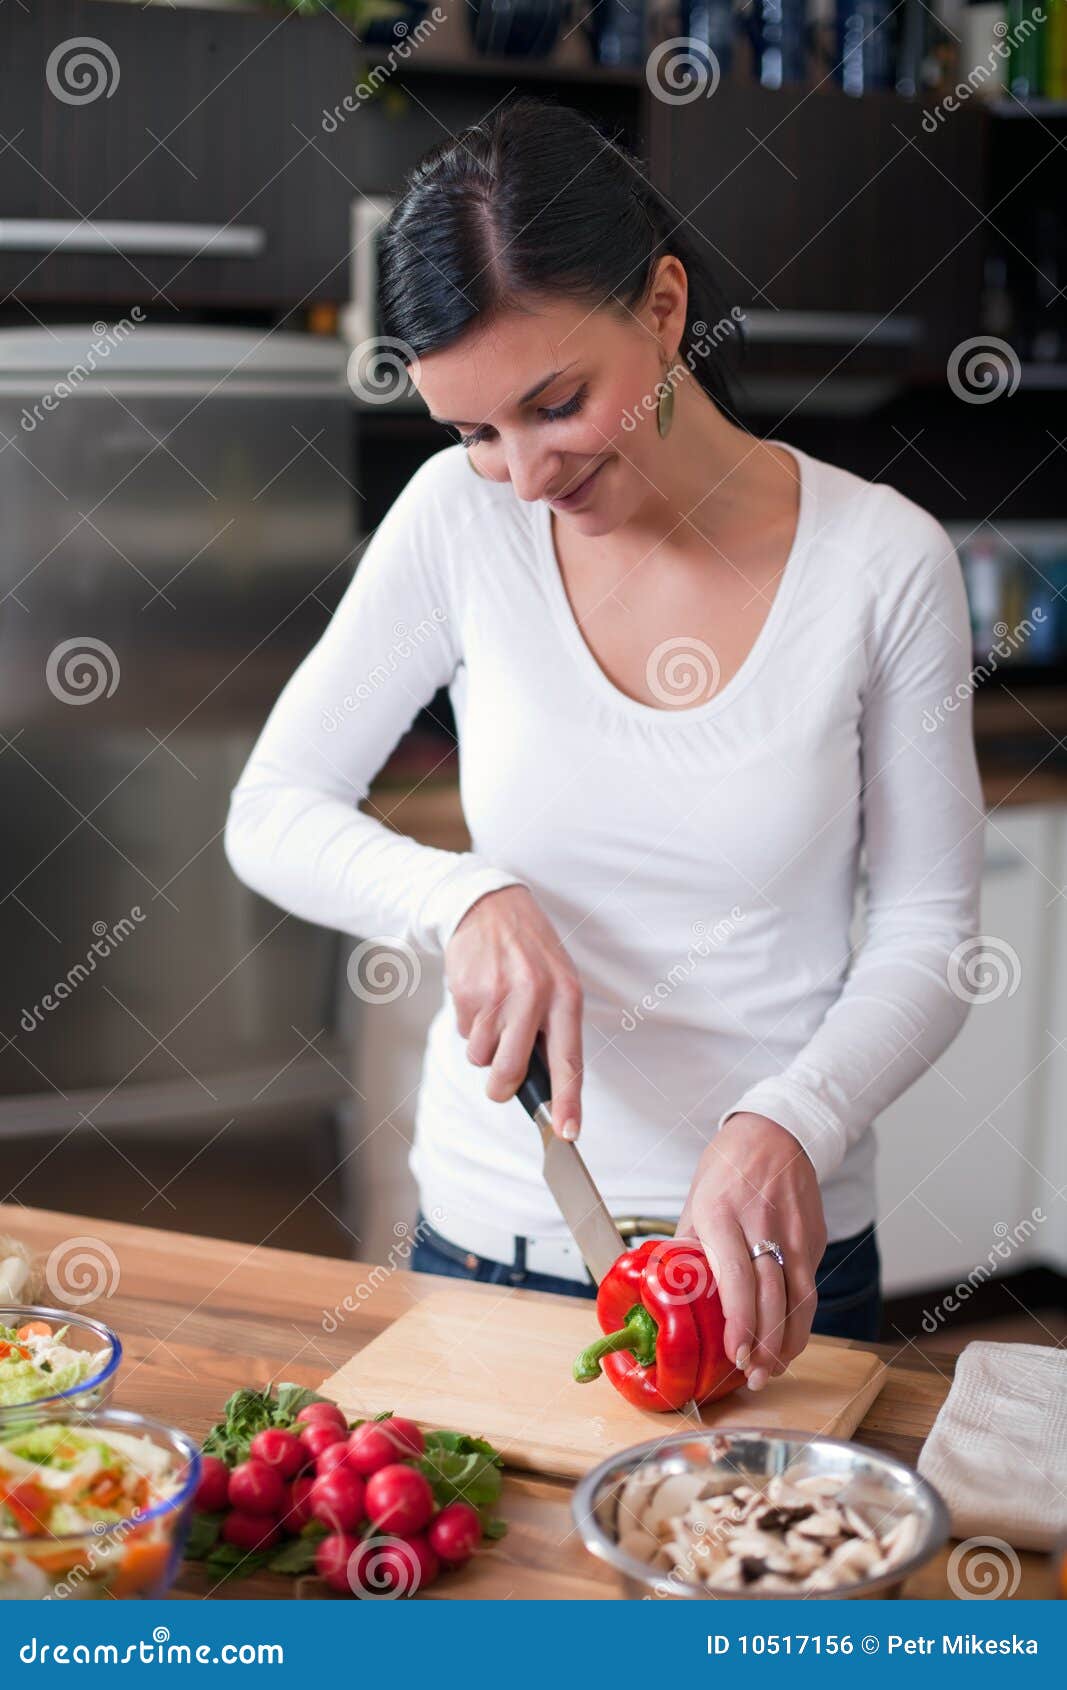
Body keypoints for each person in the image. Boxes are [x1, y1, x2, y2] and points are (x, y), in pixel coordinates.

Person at [225, 97, 983, 1393]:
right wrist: (463, 894)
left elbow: (934, 935)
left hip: (767, 1259)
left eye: (554, 401)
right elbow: (274, 811)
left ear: (667, 306)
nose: (523, 477)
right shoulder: (457, 528)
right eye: (473, 433)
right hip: (492, 1244)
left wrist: (791, 1115)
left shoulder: (882, 561)